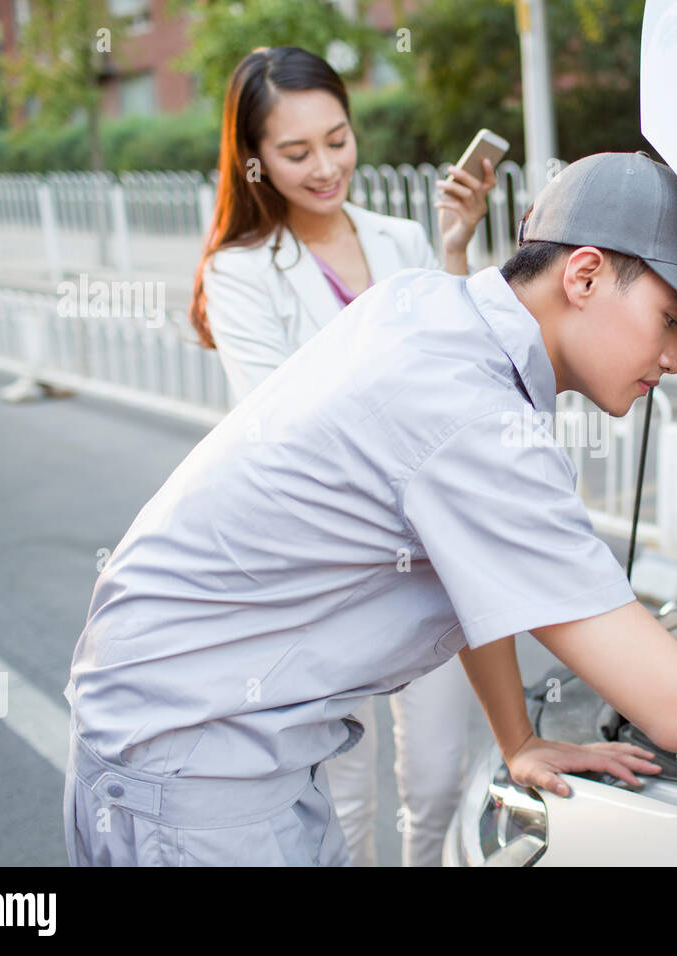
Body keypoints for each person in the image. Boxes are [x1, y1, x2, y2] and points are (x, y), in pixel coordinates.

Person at [63, 151, 677, 866]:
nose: (672, 358)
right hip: (189, 765)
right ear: (582, 275)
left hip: (210, 739)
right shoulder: (468, 410)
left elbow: (455, 569)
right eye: (667, 318)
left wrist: (519, 736)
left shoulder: (429, 311)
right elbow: (674, 703)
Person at [185, 46, 497, 867]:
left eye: (338, 139)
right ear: (254, 160)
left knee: (436, 780)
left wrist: (456, 250)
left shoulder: (404, 240)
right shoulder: (241, 272)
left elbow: (460, 376)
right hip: (326, 570)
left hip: (426, 555)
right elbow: (283, 425)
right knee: (346, 792)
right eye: (296, 152)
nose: (326, 167)